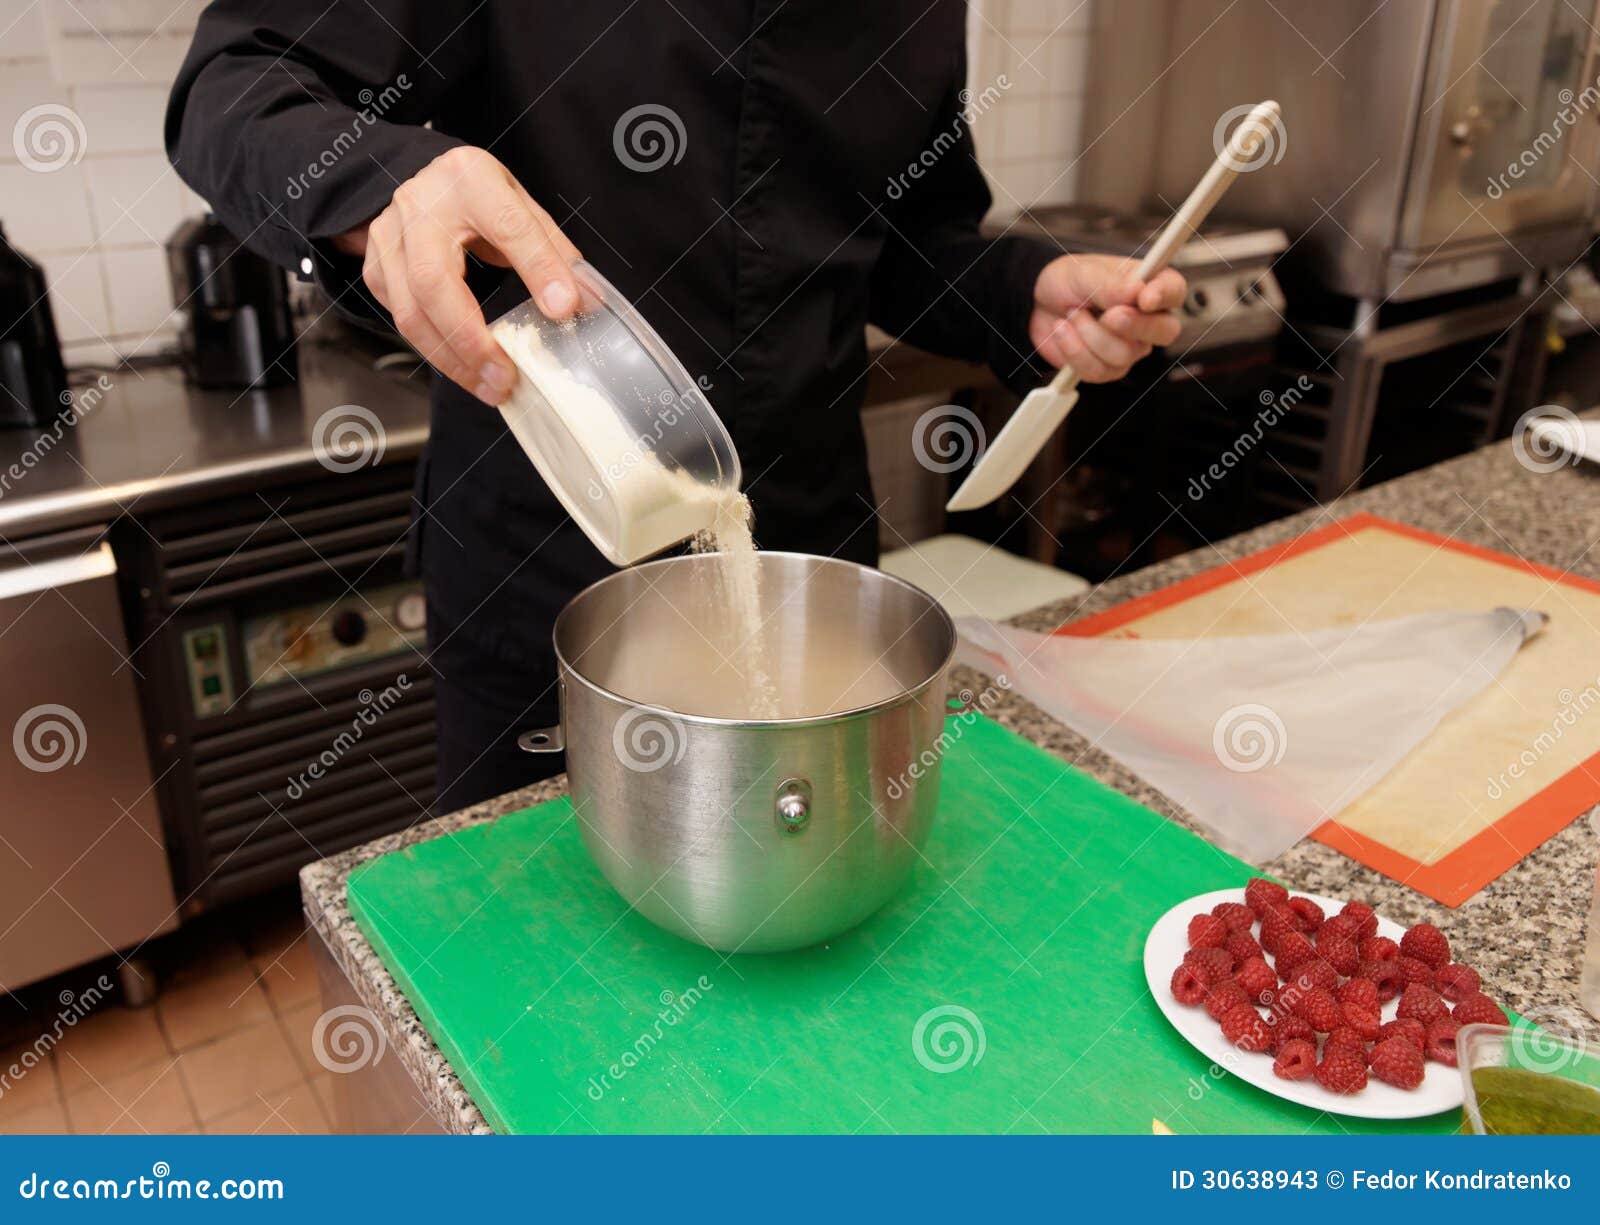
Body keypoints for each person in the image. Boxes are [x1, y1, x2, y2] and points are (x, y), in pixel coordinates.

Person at [167, 2, 1185, 814]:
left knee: (802, 908)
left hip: (804, 555)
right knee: (540, 963)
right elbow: (236, 82)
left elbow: (908, 234)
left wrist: (1020, 290)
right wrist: (387, 182)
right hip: (544, 556)